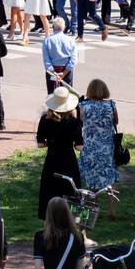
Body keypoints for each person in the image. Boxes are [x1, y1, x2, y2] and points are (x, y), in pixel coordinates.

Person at [36, 86, 83, 220]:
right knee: (71, 190)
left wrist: (49, 143)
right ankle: (73, 220)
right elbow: (79, 147)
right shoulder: (74, 122)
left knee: (50, 190)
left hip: (52, 160)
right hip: (68, 160)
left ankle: (50, 220)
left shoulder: (45, 119)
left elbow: (40, 143)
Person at [78, 80, 120, 218]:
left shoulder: (83, 106)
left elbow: (81, 121)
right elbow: (116, 122)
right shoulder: (111, 105)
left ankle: (93, 210)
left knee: (91, 180)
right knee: (110, 180)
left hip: (90, 147)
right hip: (107, 148)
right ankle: (112, 211)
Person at [41, 17, 78, 95]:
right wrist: (64, 73)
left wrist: (53, 72)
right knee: (67, 96)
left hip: (52, 71)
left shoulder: (47, 40)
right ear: (64, 27)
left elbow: (46, 60)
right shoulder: (71, 40)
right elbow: (74, 59)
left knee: (52, 96)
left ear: (53, 27)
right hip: (66, 71)